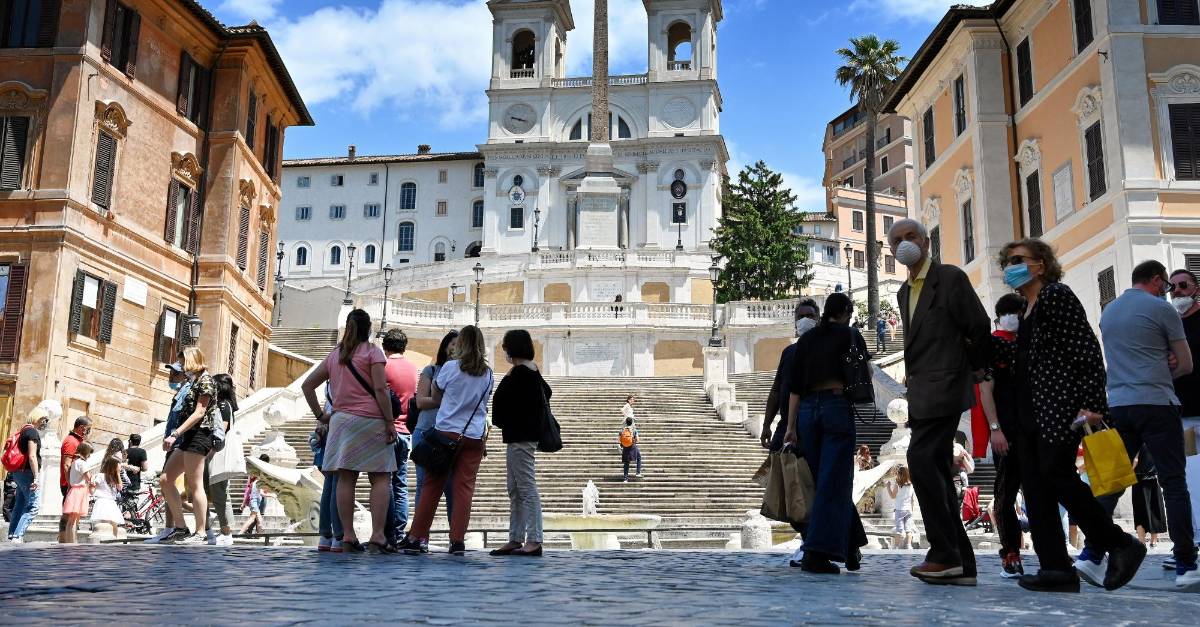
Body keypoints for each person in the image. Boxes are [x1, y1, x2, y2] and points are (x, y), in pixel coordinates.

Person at [996, 238, 1144, 593]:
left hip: (1060, 408)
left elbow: (1086, 351)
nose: (1011, 266)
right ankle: (1056, 569)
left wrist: (1093, 405)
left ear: (1041, 264)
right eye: (1007, 261)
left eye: (1020, 260)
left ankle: (1120, 543)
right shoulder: (1025, 309)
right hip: (1029, 416)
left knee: (1057, 474)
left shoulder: (1055, 296)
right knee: (1035, 490)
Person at [888, 218, 991, 586]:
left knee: (919, 459)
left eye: (910, 236)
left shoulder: (949, 278)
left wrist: (972, 371)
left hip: (947, 386)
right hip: (922, 393)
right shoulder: (903, 293)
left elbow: (978, 327)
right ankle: (962, 563)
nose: (904, 243)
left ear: (926, 242)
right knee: (934, 469)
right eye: (897, 239)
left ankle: (944, 554)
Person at [1092, 259, 1196, 587]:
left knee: (1113, 483)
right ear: (1155, 280)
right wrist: (1165, 371)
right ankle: (1185, 565)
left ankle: (1091, 555)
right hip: (1157, 403)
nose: (1168, 293)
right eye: (1166, 286)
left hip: (1120, 406)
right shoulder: (1161, 310)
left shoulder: (1109, 312)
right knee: (1174, 484)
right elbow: (1186, 365)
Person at [783, 292, 870, 574]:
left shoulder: (805, 341)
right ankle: (817, 553)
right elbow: (862, 370)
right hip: (835, 407)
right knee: (834, 482)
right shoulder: (849, 334)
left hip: (807, 411)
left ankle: (850, 545)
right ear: (844, 312)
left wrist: (791, 427)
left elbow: (794, 389)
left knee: (825, 482)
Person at [301, 309, 397, 554]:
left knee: (346, 478)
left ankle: (347, 536)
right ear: (369, 329)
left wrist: (321, 416)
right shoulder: (373, 352)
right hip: (372, 420)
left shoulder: (336, 355)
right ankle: (377, 536)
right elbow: (379, 389)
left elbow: (307, 385)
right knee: (380, 478)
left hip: (341, 423)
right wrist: (389, 421)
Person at [398, 325, 494, 556]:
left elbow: (437, 394)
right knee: (464, 490)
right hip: (474, 436)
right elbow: (485, 400)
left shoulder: (451, 367)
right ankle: (457, 541)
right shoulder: (488, 373)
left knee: (431, 486)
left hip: (446, 433)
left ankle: (415, 536)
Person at [976, 293, 1026, 578]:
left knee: (1039, 492)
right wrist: (995, 429)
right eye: (1010, 312)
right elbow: (985, 389)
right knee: (1005, 495)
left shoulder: (1030, 340)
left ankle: (1050, 553)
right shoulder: (994, 344)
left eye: (1018, 311)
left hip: (1031, 429)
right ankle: (1010, 553)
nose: (1015, 317)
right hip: (1006, 430)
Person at [490, 329, 550, 557]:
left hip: (522, 437)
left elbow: (505, 400)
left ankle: (534, 539)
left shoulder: (524, 372)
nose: (504, 350)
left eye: (505, 347)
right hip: (517, 436)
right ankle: (515, 538)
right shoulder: (526, 371)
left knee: (526, 487)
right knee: (515, 489)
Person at [159, 346, 219, 545]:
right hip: (187, 436)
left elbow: (200, 412)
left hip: (200, 435)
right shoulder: (192, 382)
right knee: (166, 479)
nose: (181, 366)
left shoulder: (206, 381)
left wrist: (175, 434)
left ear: (192, 360)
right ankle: (181, 527)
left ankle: (201, 533)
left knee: (195, 485)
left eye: (183, 362)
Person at [409, 330, 459, 553]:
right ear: (444, 347)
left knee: (451, 488)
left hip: (450, 435)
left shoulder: (466, 374)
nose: (454, 348)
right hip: (426, 433)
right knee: (423, 486)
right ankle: (420, 537)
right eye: (451, 344)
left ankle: (455, 538)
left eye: (458, 345)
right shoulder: (431, 370)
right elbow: (420, 401)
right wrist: (446, 400)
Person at [1169, 268, 1200, 572]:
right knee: (1189, 477)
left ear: (1195, 289)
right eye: (1173, 286)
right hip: (1183, 414)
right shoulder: (1172, 324)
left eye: (1182, 285)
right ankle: (1189, 543)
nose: (1177, 291)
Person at [761, 299, 820, 451]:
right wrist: (767, 424)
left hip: (815, 426)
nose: (805, 320)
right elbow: (776, 389)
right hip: (785, 424)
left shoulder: (826, 351)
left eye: (810, 316)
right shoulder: (788, 352)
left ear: (818, 320)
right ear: (795, 322)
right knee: (774, 470)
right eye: (800, 317)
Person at [145, 359, 192, 544]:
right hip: (174, 445)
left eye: (176, 373)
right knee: (167, 487)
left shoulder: (187, 391)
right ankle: (170, 528)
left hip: (180, 444)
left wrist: (175, 437)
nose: (171, 376)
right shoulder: (179, 393)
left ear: (185, 376)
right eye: (171, 373)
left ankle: (186, 527)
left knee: (170, 484)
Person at [381, 328, 417, 549]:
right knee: (400, 483)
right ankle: (398, 530)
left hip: (387, 430)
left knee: (384, 482)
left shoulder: (382, 367)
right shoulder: (414, 370)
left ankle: (387, 533)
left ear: (385, 347)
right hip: (406, 432)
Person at [203, 373, 238, 547]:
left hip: (216, 454)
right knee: (218, 494)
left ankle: (226, 531)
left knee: (219, 494)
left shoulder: (223, 405)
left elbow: (220, 432)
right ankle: (215, 530)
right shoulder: (225, 405)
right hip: (215, 454)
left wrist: (207, 450)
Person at [6, 411, 49, 543]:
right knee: (33, 506)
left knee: (19, 503)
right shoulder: (32, 432)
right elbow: (32, 456)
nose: (45, 423)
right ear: (37, 418)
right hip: (27, 473)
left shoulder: (23, 430)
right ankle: (18, 535)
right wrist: (36, 477)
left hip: (18, 472)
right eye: (43, 419)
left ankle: (12, 534)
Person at [57, 416, 92, 543]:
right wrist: (70, 484)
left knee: (73, 515)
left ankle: (67, 539)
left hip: (72, 484)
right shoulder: (71, 441)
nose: (88, 432)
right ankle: (63, 540)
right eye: (88, 429)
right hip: (70, 484)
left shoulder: (77, 440)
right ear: (82, 428)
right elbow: (66, 464)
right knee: (68, 515)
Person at [61, 442, 96, 544]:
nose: (89, 456)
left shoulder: (75, 462)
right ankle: (72, 542)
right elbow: (89, 477)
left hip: (74, 491)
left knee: (71, 520)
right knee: (74, 520)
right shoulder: (82, 463)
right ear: (86, 452)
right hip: (80, 491)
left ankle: (70, 541)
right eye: (89, 453)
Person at [91, 454, 125, 539]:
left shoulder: (114, 477)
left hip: (111, 503)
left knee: (114, 524)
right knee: (105, 525)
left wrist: (117, 473)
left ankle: (114, 542)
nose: (120, 466)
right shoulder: (101, 476)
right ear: (113, 465)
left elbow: (120, 487)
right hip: (103, 502)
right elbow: (93, 485)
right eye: (119, 464)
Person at [240, 454, 271, 535]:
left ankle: (253, 532)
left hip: (261, 493)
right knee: (257, 515)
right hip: (256, 494)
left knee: (257, 514)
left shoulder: (265, 469)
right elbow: (250, 483)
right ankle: (253, 532)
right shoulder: (255, 471)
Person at [888, 465, 916, 549]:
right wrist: (912, 509)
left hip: (899, 510)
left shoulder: (898, 485)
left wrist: (888, 487)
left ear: (899, 474)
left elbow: (893, 496)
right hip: (908, 510)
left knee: (899, 530)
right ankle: (908, 545)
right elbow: (912, 499)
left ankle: (896, 547)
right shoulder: (911, 485)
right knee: (908, 529)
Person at [619, 418, 642, 482]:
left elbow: (619, 439)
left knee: (626, 462)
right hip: (632, 446)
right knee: (639, 457)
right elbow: (637, 440)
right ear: (632, 423)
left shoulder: (622, 430)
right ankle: (638, 472)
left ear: (626, 422)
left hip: (625, 447)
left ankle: (625, 478)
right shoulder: (634, 430)